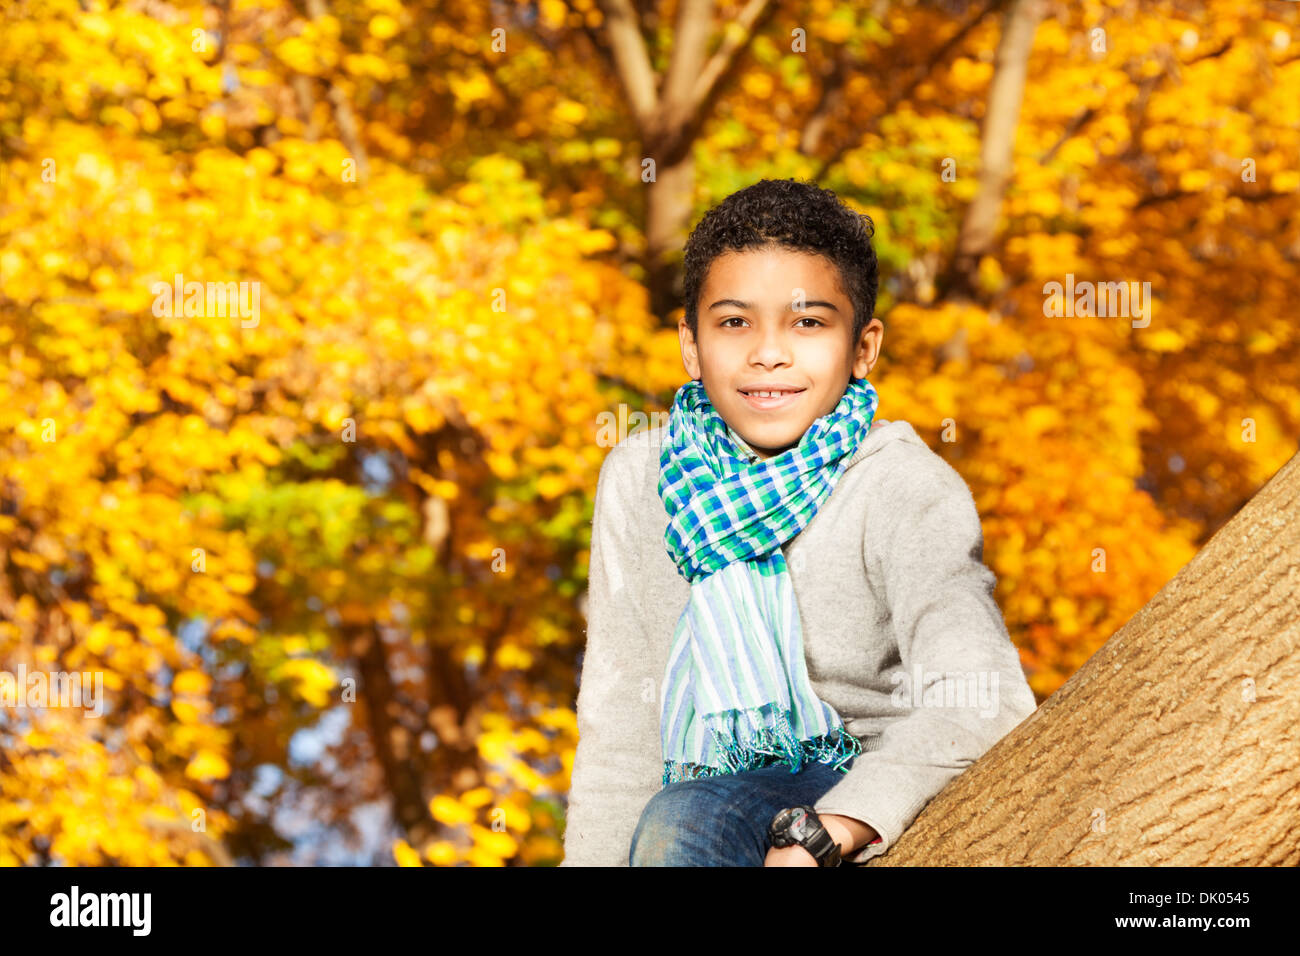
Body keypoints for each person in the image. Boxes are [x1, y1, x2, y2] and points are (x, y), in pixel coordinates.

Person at [560, 178, 1037, 867]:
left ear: (863, 348)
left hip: (867, 781)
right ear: (691, 346)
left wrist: (833, 825)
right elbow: (620, 730)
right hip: (689, 806)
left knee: (688, 817)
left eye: (808, 323)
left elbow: (983, 695)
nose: (769, 353)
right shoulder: (641, 479)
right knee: (683, 815)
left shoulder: (902, 484)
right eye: (734, 323)